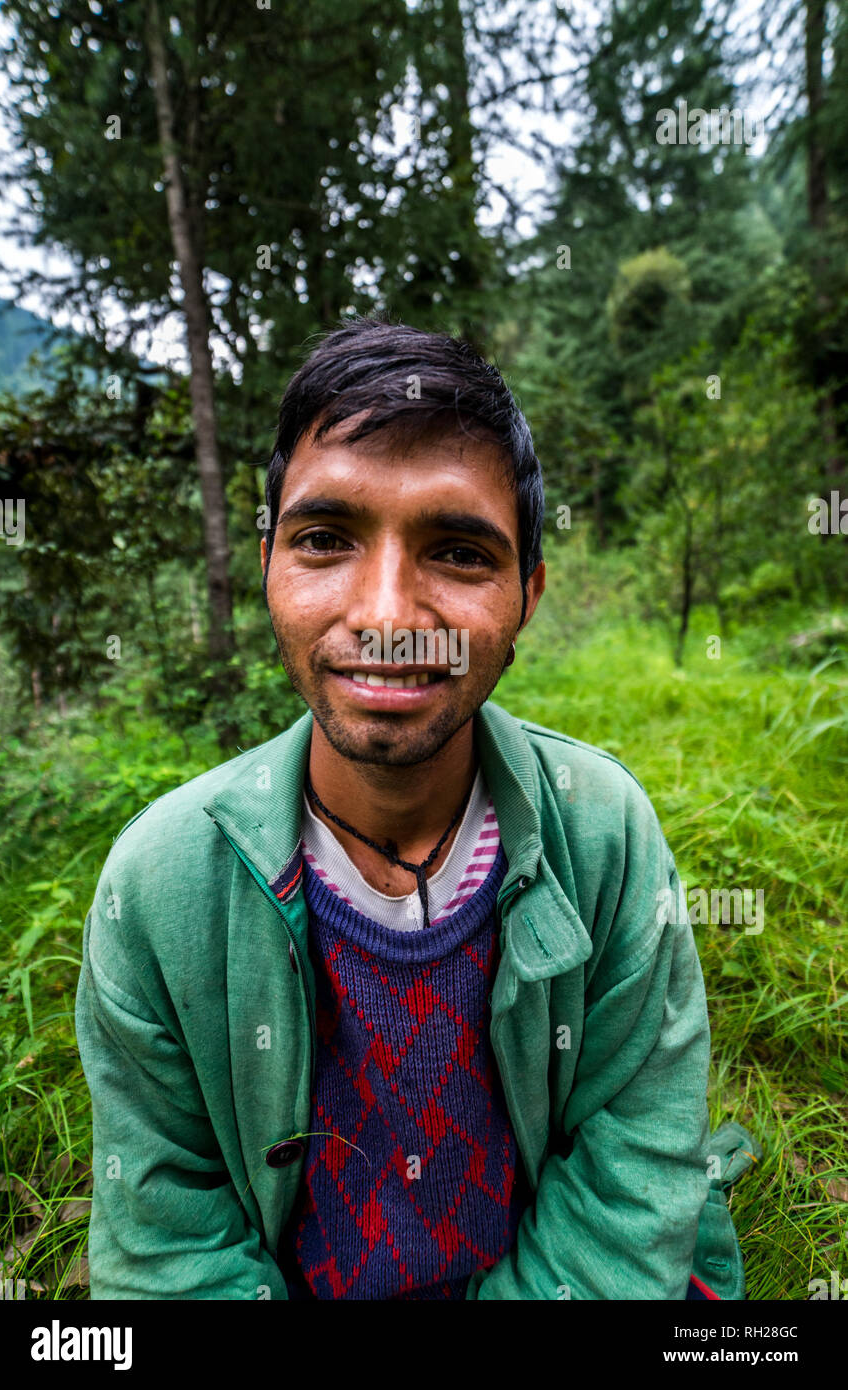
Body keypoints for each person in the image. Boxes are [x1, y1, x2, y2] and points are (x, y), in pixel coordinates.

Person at [75, 317, 757, 1300]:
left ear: (528, 593)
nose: (390, 618)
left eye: (458, 553)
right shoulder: (159, 888)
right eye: (324, 538)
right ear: (266, 562)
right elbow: (167, 1247)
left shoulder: (602, 835)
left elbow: (633, 1176)